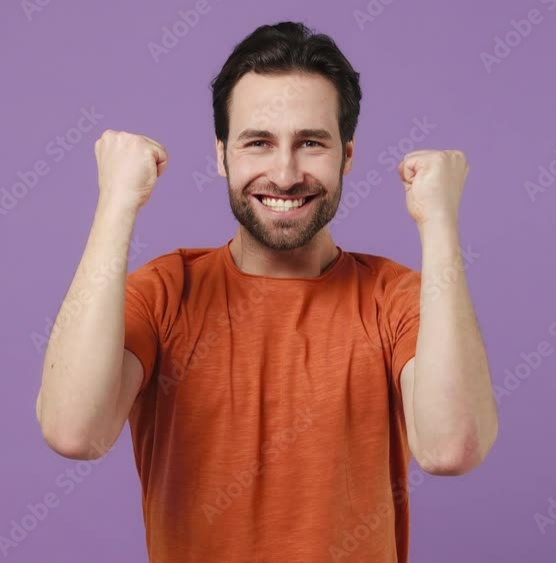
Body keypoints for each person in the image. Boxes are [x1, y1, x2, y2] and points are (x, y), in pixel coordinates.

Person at [35, 21, 498, 563]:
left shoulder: (395, 299)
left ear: (347, 156)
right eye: (258, 142)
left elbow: (450, 449)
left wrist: (438, 223)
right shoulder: (166, 293)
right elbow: (74, 432)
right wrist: (117, 203)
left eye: (311, 143)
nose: (284, 174)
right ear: (221, 156)